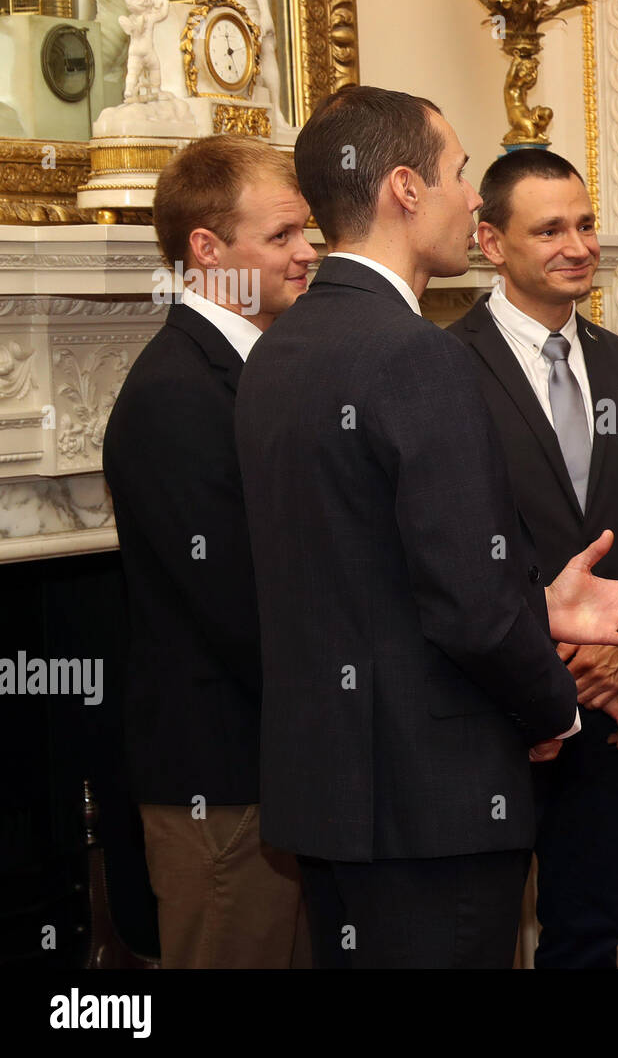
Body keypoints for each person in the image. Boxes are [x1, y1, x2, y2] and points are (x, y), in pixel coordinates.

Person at [234, 85, 618, 969]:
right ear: (405, 187)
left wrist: (541, 606)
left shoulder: (275, 348)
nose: (470, 195)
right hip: (431, 798)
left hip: (331, 795)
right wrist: (552, 703)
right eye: (459, 172)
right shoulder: (420, 355)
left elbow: (374, 573)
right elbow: (469, 603)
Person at [448, 149, 618, 968]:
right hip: (496, 716)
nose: (578, 244)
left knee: (589, 933)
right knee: (477, 937)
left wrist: (617, 651)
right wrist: (555, 667)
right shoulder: (444, 368)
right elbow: (451, 549)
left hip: (616, 710)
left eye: (585, 224)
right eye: (549, 228)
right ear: (491, 241)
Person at [102, 134, 316, 967]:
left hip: (280, 774)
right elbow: (240, 608)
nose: (307, 255)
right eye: (283, 236)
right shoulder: (175, 394)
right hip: (223, 789)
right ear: (207, 249)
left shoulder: (263, 370)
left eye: (306, 233)